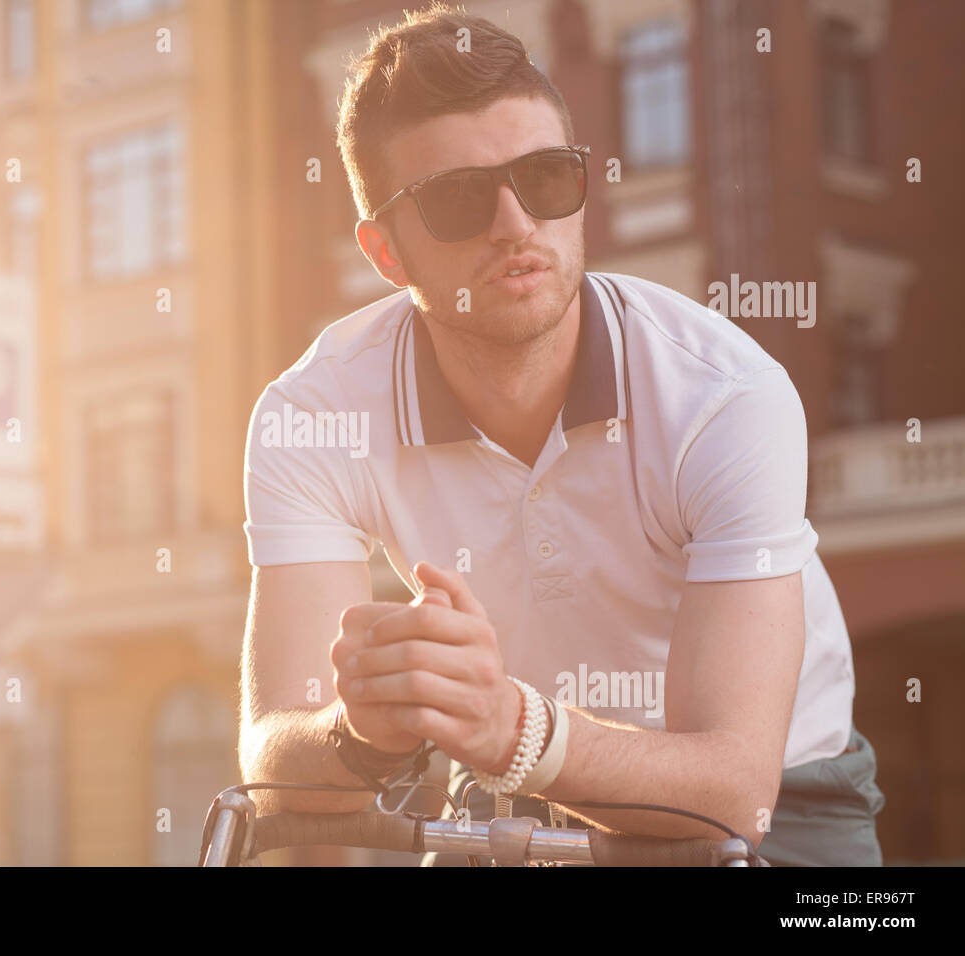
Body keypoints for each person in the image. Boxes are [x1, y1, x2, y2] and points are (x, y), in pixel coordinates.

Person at [238, 2, 882, 866]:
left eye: (546, 177)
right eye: (458, 199)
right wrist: (361, 734)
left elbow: (735, 791)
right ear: (386, 254)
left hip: (779, 798)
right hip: (518, 784)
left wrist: (513, 728)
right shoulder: (313, 413)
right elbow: (274, 772)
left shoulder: (726, 395)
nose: (516, 225)